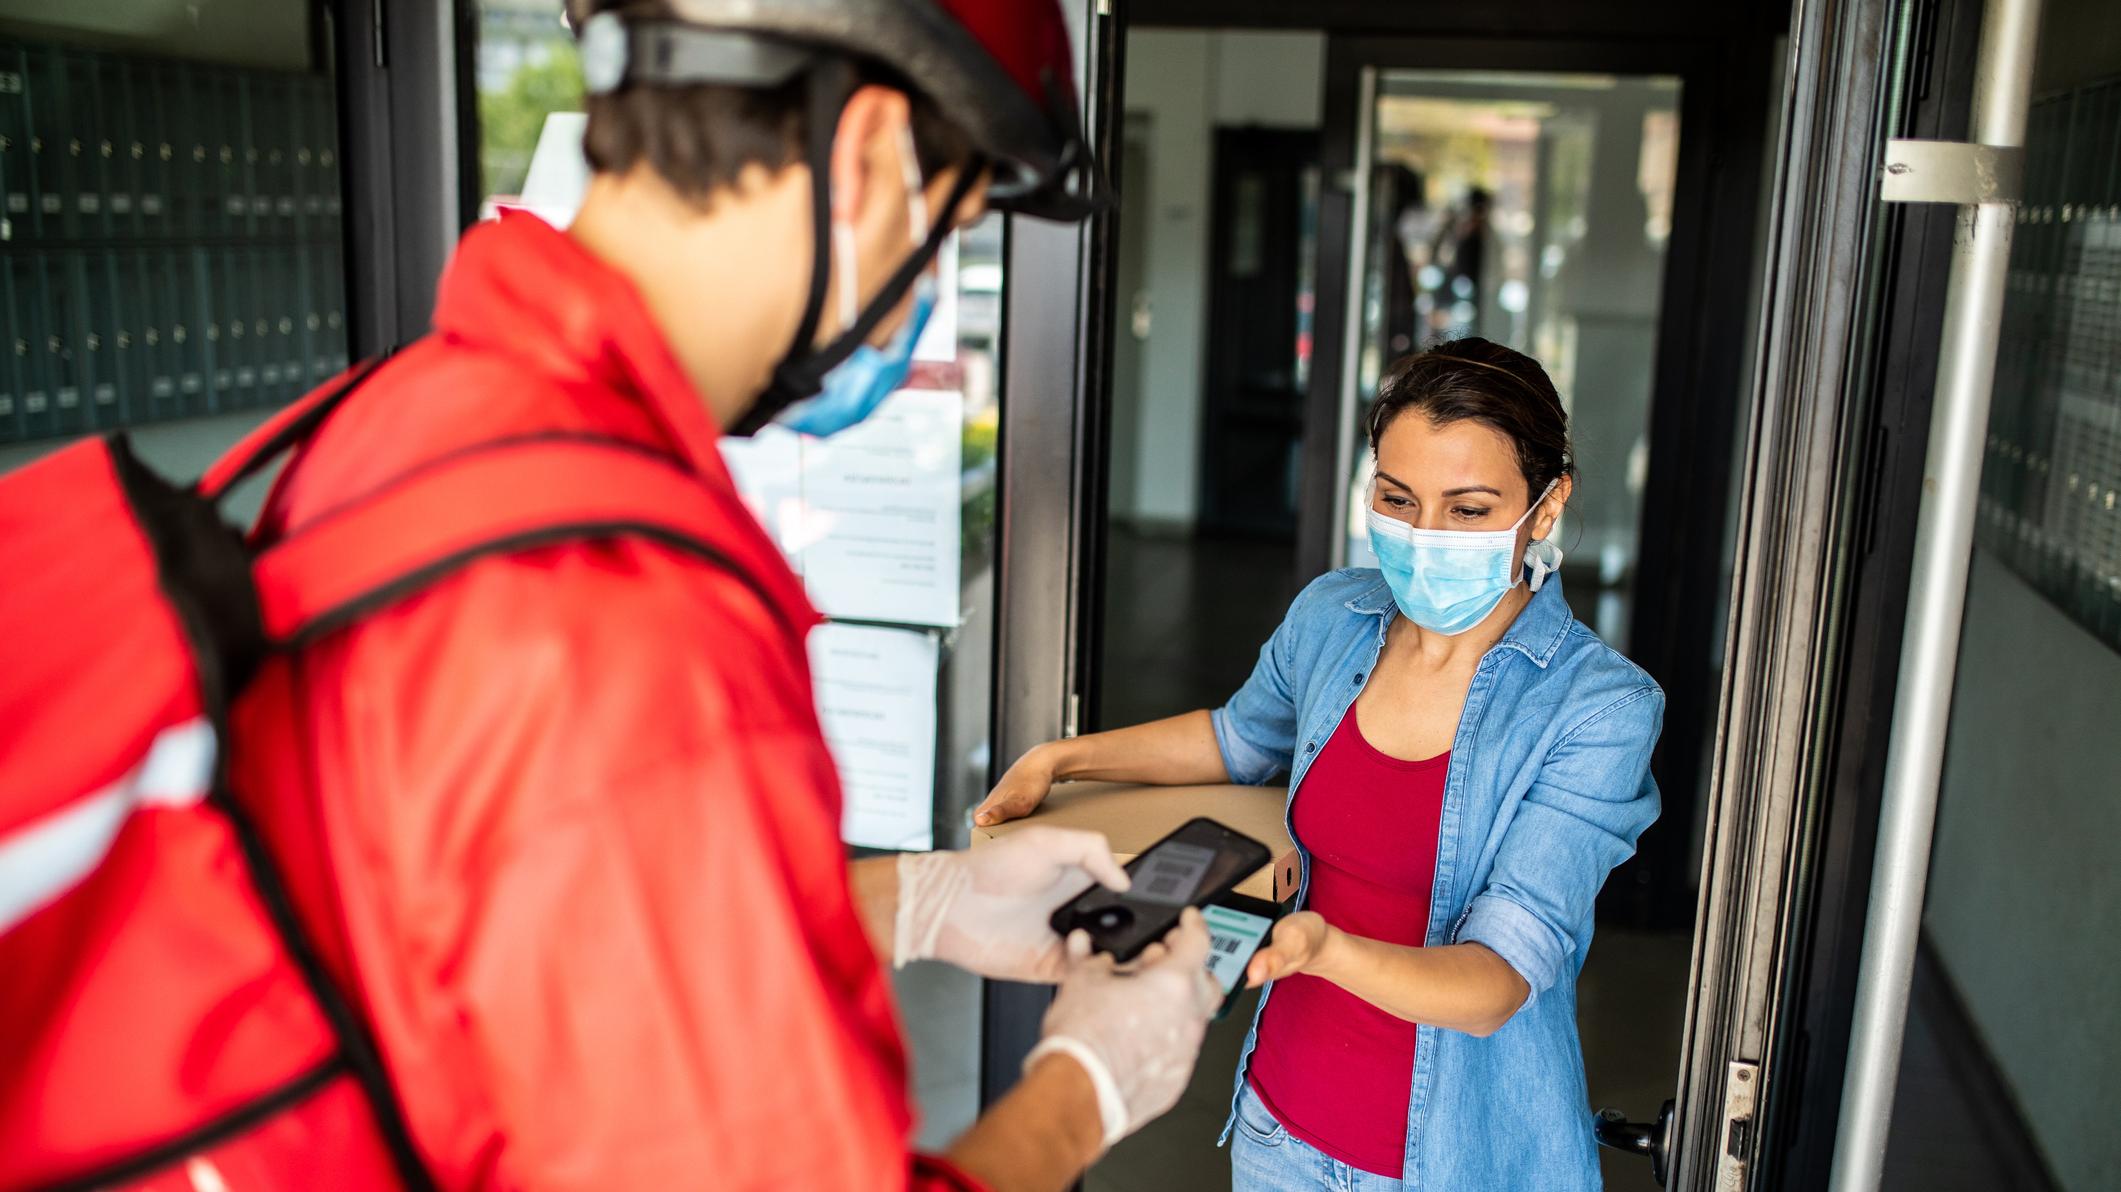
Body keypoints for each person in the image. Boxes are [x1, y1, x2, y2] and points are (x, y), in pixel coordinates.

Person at [226, 1, 1219, 1188]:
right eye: (945, 233)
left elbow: (535, 944)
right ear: (861, 162)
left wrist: (917, 898)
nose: (924, 298)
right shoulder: (632, 621)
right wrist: (1085, 1090)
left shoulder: (410, 422)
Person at [976, 338, 1664, 1191]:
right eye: (1397, 498)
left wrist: (1325, 950)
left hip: (1456, 1162)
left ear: (1547, 505)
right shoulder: (1335, 614)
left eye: (1469, 509)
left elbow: (1498, 979)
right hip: (1278, 1127)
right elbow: (1236, 738)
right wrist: (1062, 759)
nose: (1423, 535)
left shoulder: (1598, 707)